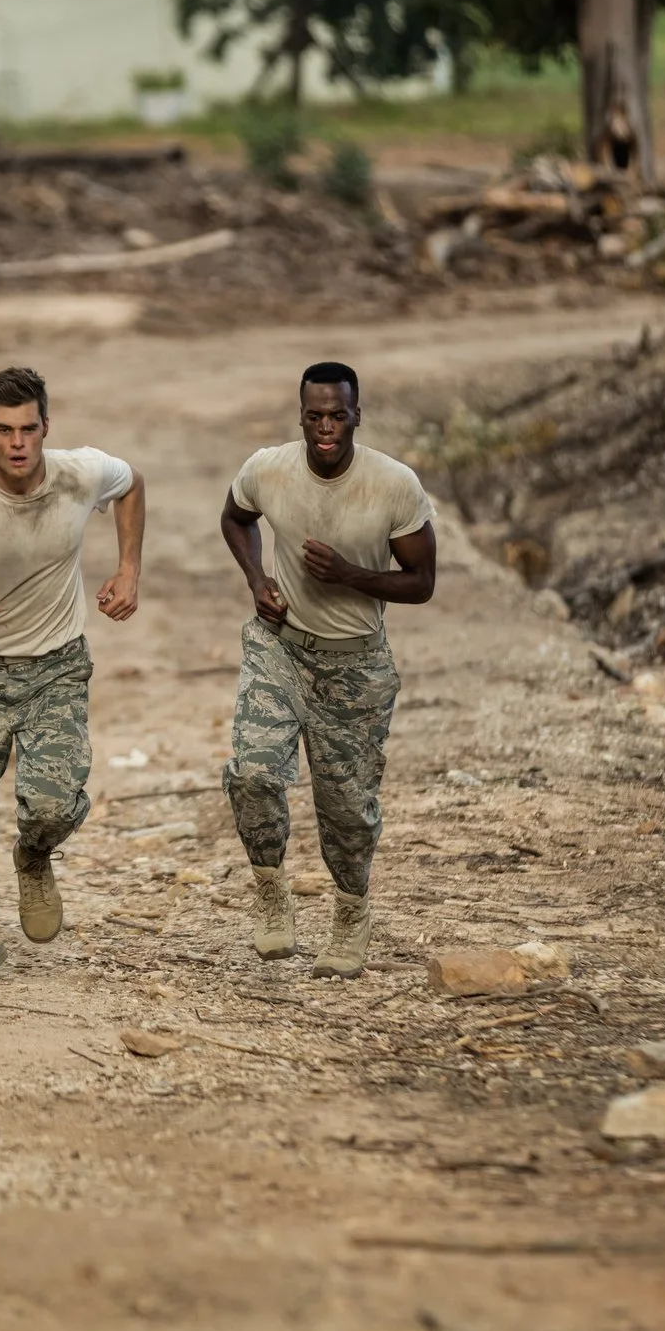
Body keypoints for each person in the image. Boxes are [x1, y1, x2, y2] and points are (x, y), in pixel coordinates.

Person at [0, 367, 144, 981]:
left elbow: (131, 483)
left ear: (46, 427)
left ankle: (34, 855)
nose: (18, 443)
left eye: (29, 429)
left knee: (53, 804)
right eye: (4, 430)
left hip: (56, 667)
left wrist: (128, 568)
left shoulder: (80, 473)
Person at [218, 361, 435, 978]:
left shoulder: (394, 485)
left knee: (346, 809)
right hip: (280, 648)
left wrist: (350, 575)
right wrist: (257, 579)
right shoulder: (268, 468)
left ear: (357, 415)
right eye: (314, 416)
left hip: (356, 665)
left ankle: (349, 911)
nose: (326, 428)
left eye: (338, 415)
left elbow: (422, 582)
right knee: (254, 773)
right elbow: (235, 516)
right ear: (301, 416)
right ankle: (270, 890)